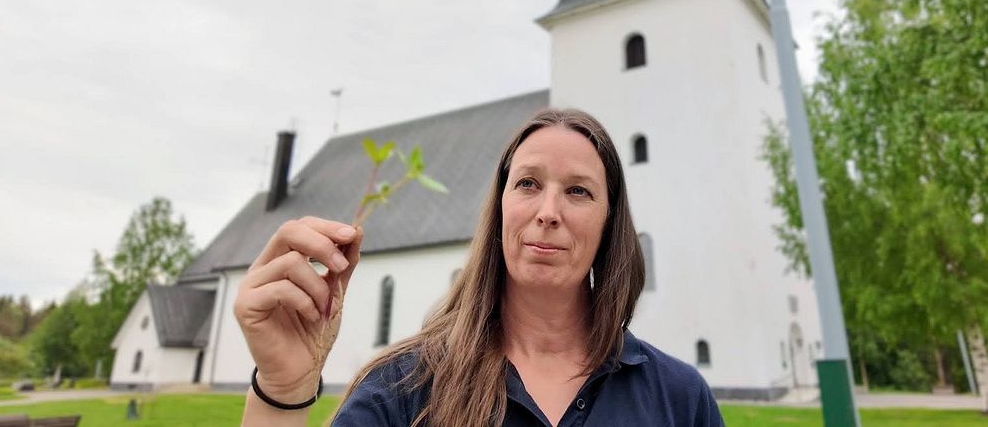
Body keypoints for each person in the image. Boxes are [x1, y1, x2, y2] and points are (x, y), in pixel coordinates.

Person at [234, 109, 726, 426]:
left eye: (578, 191)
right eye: (528, 183)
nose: (548, 211)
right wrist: (281, 391)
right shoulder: (403, 390)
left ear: (609, 222)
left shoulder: (680, 400)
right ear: (500, 208)